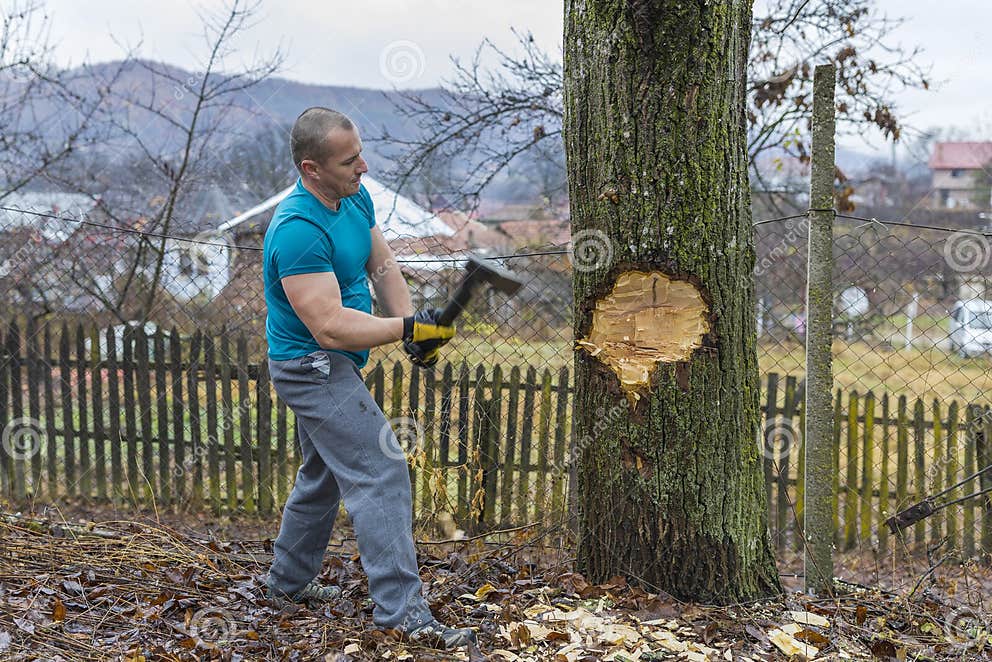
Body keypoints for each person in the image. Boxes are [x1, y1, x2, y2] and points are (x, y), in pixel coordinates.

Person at [261, 107, 476, 649]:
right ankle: (403, 612)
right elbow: (329, 328)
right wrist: (406, 325)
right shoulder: (297, 231)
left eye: (359, 152)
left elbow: (381, 265)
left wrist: (412, 333)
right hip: (310, 367)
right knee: (381, 467)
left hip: (337, 361)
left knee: (325, 474)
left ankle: (286, 584)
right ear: (311, 168)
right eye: (348, 159)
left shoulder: (353, 197)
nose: (363, 165)